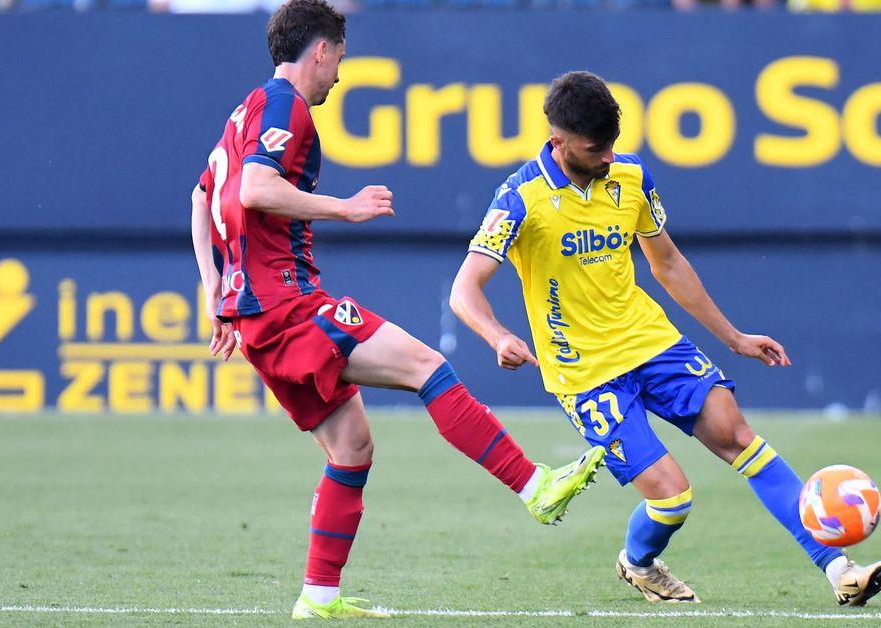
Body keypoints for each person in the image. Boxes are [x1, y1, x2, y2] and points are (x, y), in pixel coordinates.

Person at [190, 2, 605, 619]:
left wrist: (215, 290)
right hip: (286, 305)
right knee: (427, 366)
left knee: (352, 447)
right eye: (340, 61)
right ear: (322, 50)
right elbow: (253, 189)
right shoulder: (286, 105)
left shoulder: (246, 109)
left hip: (257, 315)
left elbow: (202, 196)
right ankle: (533, 485)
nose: (339, 76)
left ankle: (318, 597)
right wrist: (345, 206)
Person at [449, 70, 881, 607]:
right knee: (672, 498)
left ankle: (839, 569)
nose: (609, 156)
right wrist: (496, 335)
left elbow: (669, 264)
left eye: (613, 143)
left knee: (738, 435)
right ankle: (638, 563)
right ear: (558, 140)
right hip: (586, 374)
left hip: (651, 340)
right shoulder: (520, 199)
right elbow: (464, 290)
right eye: (596, 148)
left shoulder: (631, 176)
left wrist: (733, 336)